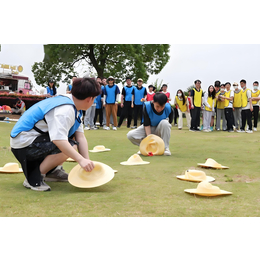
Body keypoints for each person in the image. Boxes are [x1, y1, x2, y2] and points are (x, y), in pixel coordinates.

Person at [10, 77, 101, 191]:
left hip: (33, 140)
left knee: (71, 140)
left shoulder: (75, 107)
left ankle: (52, 171)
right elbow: (59, 140)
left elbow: (80, 136)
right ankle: (34, 179)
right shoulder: (65, 109)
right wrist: (81, 160)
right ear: (89, 99)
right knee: (70, 144)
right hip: (23, 143)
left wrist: (87, 161)